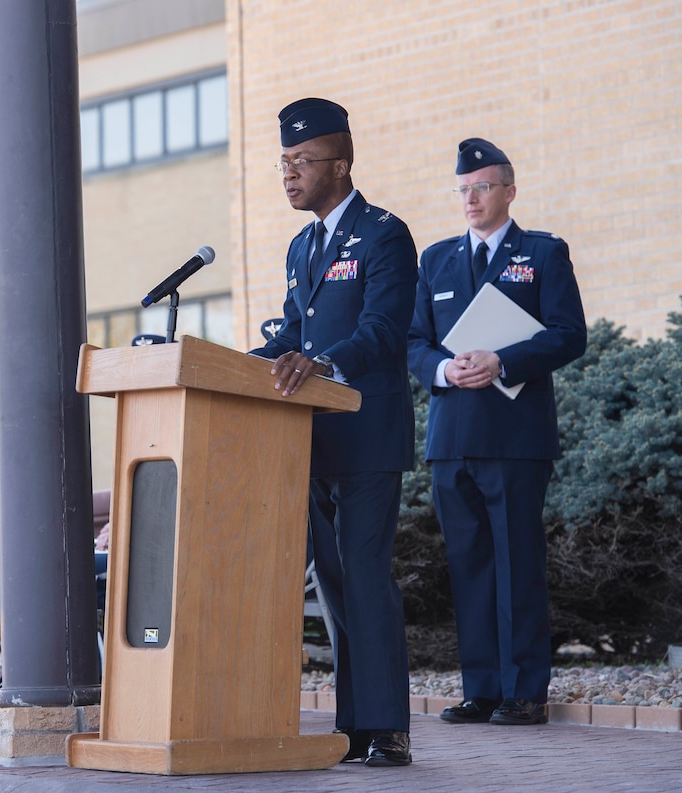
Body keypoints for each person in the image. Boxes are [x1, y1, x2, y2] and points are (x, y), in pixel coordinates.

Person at [249, 97, 417, 767]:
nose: (289, 173)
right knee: (336, 580)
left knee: (366, 574)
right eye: (284, 161)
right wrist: (247, 361)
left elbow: (382, 328)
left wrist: (322, 361)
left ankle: (390, 726)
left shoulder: (383, 234)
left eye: (302, 161)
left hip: (367, 430)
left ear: (340, 164)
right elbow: (296, 329)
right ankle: (354, 724)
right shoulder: (303, 244)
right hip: (312, 438)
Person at [408, 138, 586, 726]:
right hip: (451, 440)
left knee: (516, 565)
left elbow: (568, 334)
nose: (471, 199)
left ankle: (523, 692)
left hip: (514, 440)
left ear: (509, 191)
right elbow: (411, 342)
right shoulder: (434, 260)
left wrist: (502, 360)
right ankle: (481, 690)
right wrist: (442, 367)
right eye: (462, 189)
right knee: (469, 567)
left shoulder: (541, 253)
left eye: (481, 187)